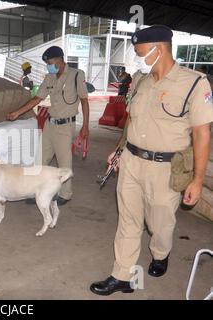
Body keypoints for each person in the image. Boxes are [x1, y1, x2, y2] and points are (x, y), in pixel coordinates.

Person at [90, 25, 213, 296]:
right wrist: (119, 149)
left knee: (160, 223)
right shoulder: (140, 80)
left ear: (158, 49)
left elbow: (202, 132)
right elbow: (132, 120)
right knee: (128, 220)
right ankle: (121, 275)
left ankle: (161, 252)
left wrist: (196, 179)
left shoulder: (194, 82)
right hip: (132, 162)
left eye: (139, 51)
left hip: (166, 169)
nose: (136, 57)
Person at [7, 46, 90, 206]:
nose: (48, 65)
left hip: (65, 125)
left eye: (50, 62)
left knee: (64, 161)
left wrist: (85, 126)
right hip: (49, 124)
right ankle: (33, 189)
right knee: (39, 159)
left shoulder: (76, 75)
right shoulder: (50, 77)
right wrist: (18, 112)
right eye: (46, 63)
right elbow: (37, 98)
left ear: (59, 59)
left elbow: (85, 101)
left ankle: (65, 194)